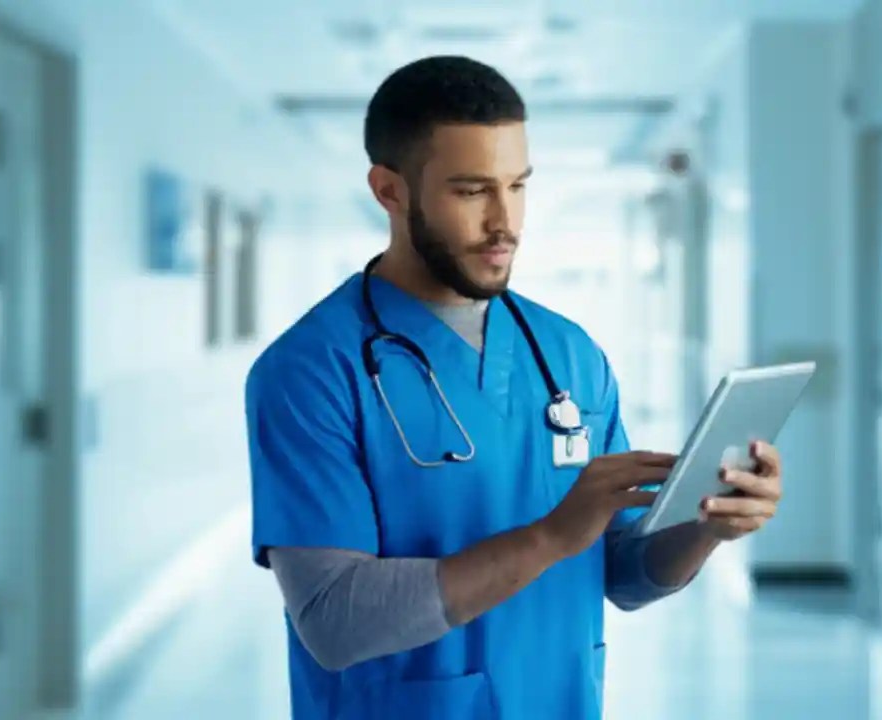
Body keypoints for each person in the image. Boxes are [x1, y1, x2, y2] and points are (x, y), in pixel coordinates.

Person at [244, 55, 786, 720]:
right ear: (390, 191)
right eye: (471, 192)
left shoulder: (568, 354)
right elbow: (334, 621)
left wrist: (707, 528)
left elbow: (623, 572)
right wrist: (551, 536)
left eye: (518, 186)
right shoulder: (311, 370)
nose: (506, 222)